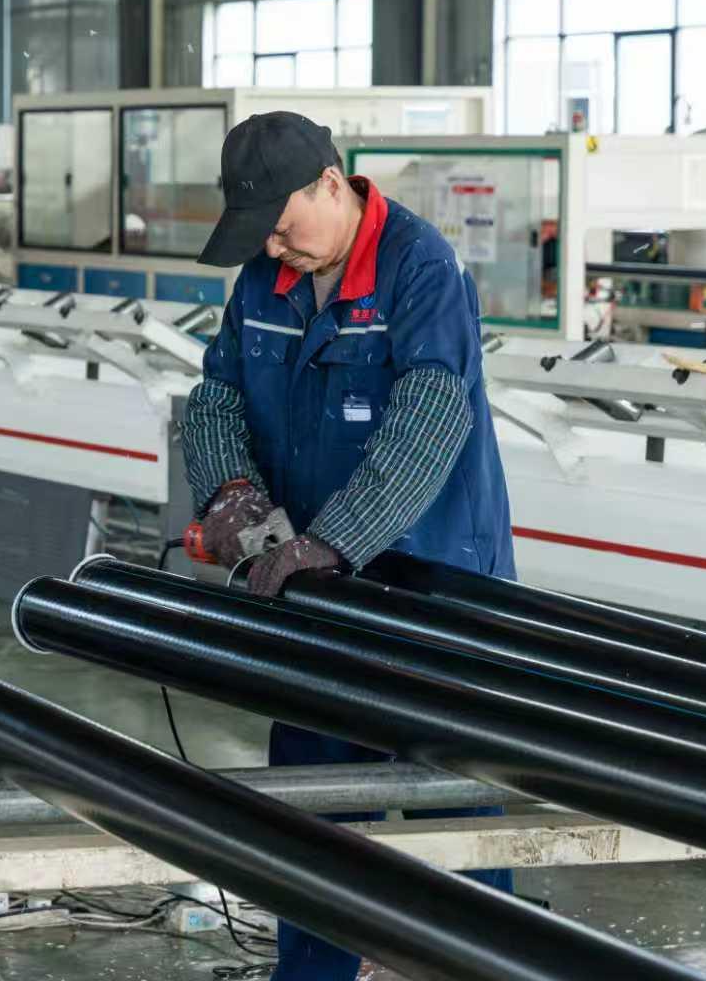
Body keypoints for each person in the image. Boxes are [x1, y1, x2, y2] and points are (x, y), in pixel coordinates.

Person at [181, 111, 515, 981]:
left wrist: (336, 541)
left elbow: (431, 416)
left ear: (332, 184)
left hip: (434, 592)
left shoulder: (422, 268)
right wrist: (230, 490)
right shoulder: (265, 277)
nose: (275, 249)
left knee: (454, 820)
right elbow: (216, 396)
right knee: (312, 814)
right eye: (263, 236)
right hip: (313, 592)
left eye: (284, 227)